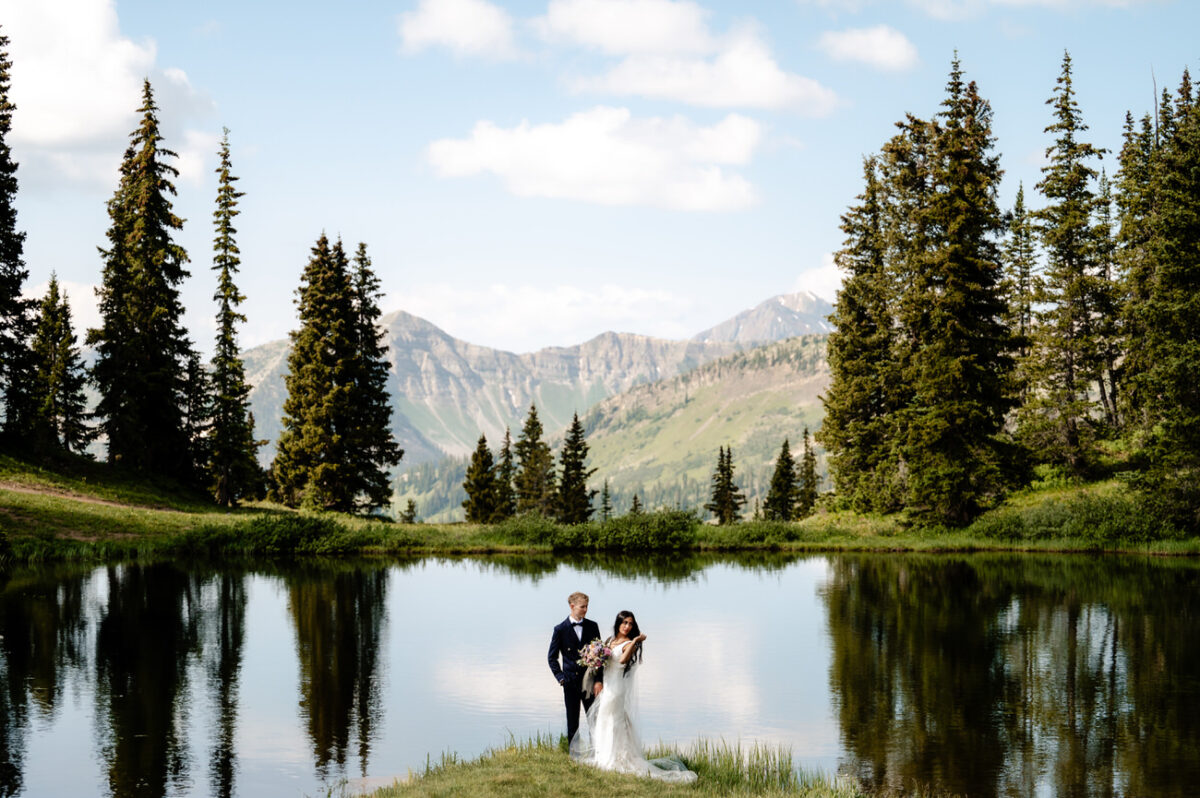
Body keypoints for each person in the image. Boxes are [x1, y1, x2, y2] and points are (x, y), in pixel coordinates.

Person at [569, 610, 697, 783]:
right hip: (607, 685)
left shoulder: (630, 643)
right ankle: (602, 755)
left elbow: (621, 661)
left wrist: (636, 641)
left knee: (613, 720)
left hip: (616, 688)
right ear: (618, 623)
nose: (627, 626)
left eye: (630, 624)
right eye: (624, 623)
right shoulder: (609, 641)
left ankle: (614, 758)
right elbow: (603, 662)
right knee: (603, 720)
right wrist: (593, 658)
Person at [548, 591, 603, 744]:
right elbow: (552, 658)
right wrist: (560, 677)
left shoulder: (592, 626)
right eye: (582, 607)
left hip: (590, 683)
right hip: (570, 683)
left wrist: (598, 680)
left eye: (587, 607)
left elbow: (600, 656)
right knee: (572, 722)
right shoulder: (560, 629)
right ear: (572, 606)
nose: (585, 610)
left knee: (595, 720)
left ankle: (597, 754)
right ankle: (574, 756)